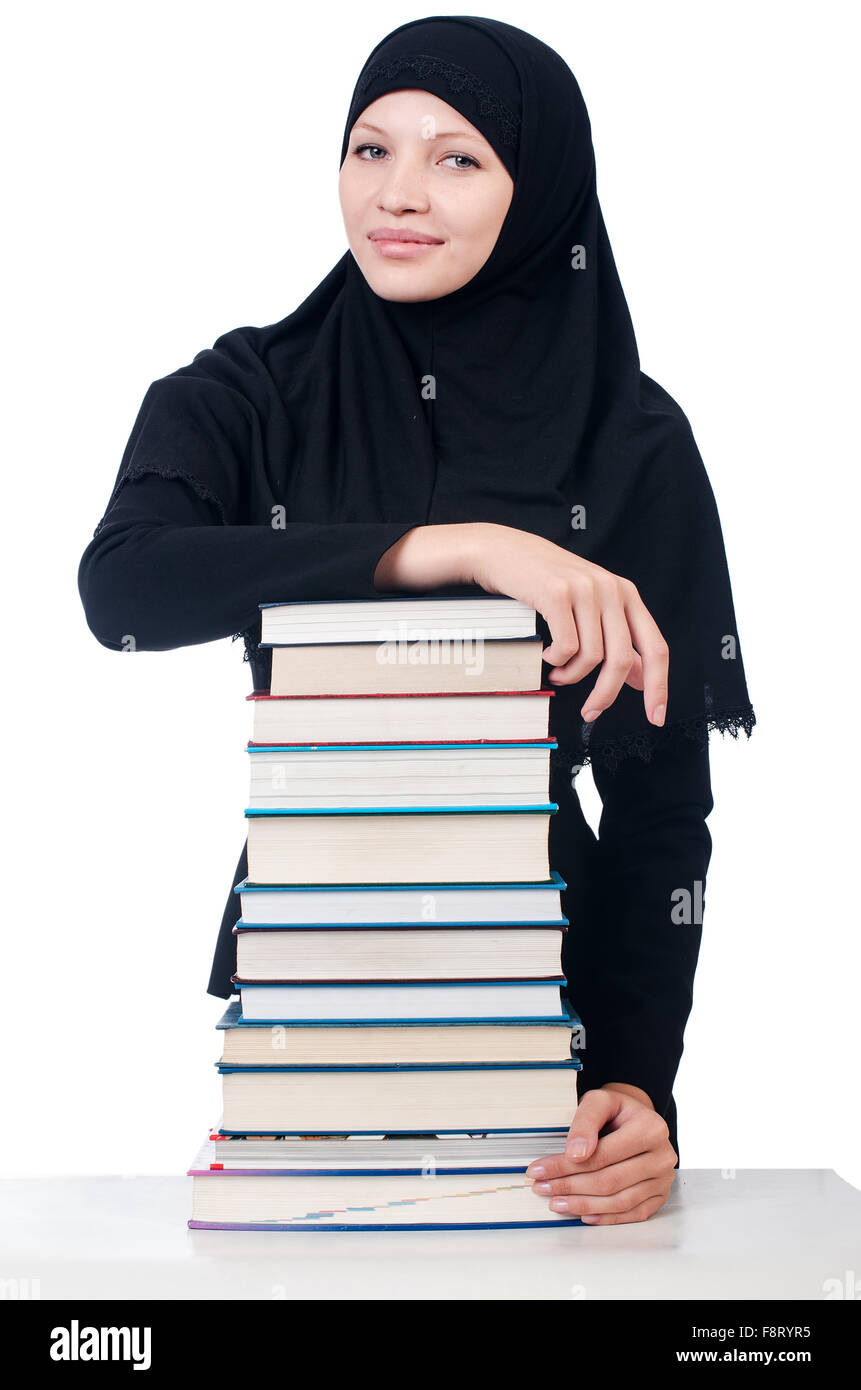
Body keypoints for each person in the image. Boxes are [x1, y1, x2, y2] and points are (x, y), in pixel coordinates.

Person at [77, 15, 756, 1225]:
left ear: (535, 186)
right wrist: (457, 548)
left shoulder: (636, 444)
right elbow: (124, 586)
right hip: (312, 981)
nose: (398, 196)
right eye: (368, 148)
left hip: (543, 1007)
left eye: (457, 158)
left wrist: (637, 1085)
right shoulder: (245, 394)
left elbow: (661, 812)